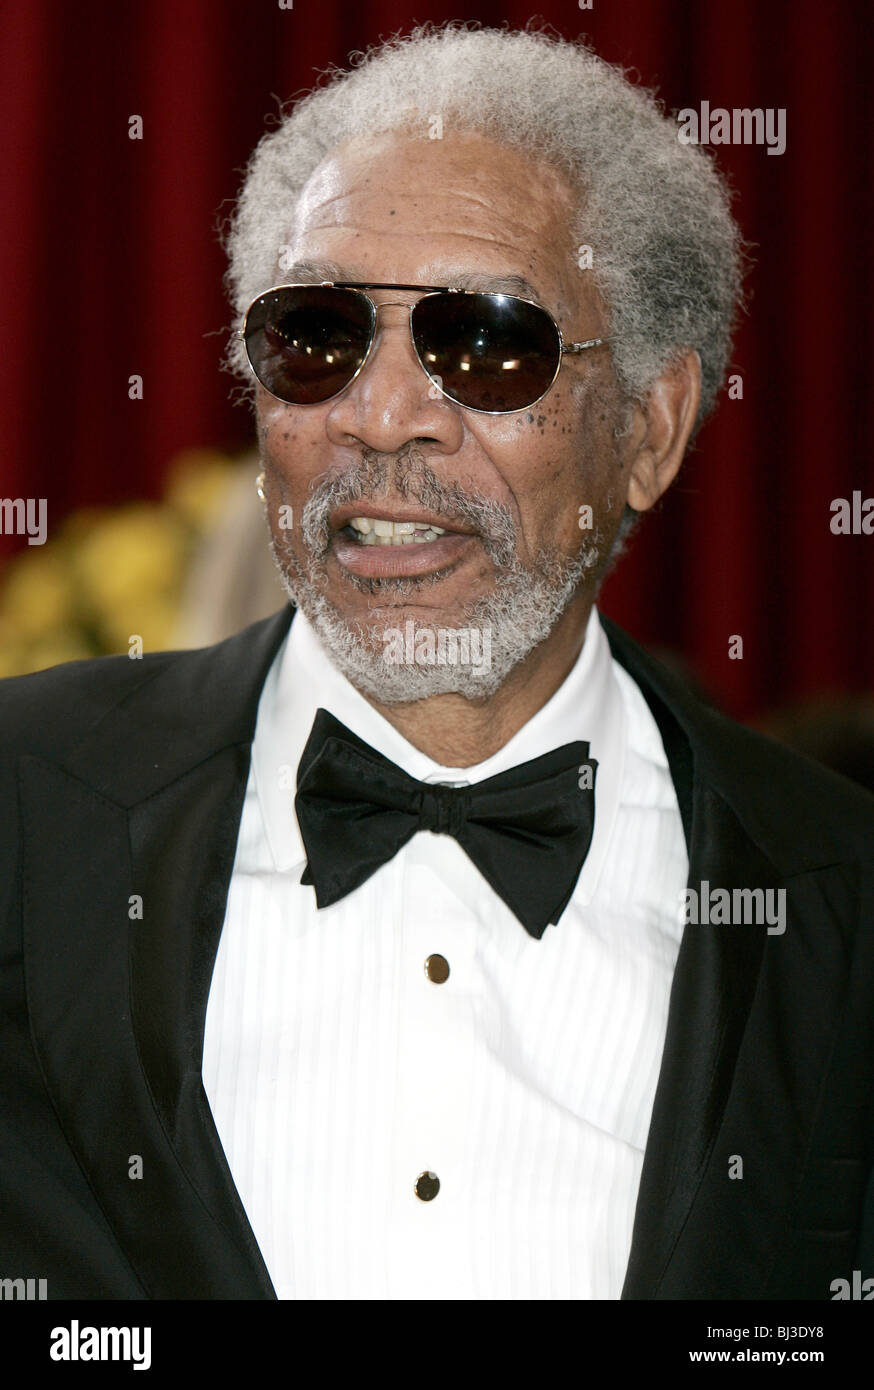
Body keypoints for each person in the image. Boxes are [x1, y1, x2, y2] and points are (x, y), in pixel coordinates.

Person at [1, 23, 872, 1302]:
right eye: (316, 333)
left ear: (651, 424)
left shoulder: (838, 898)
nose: (381, 413)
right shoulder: (25, 804)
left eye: (485, 342)